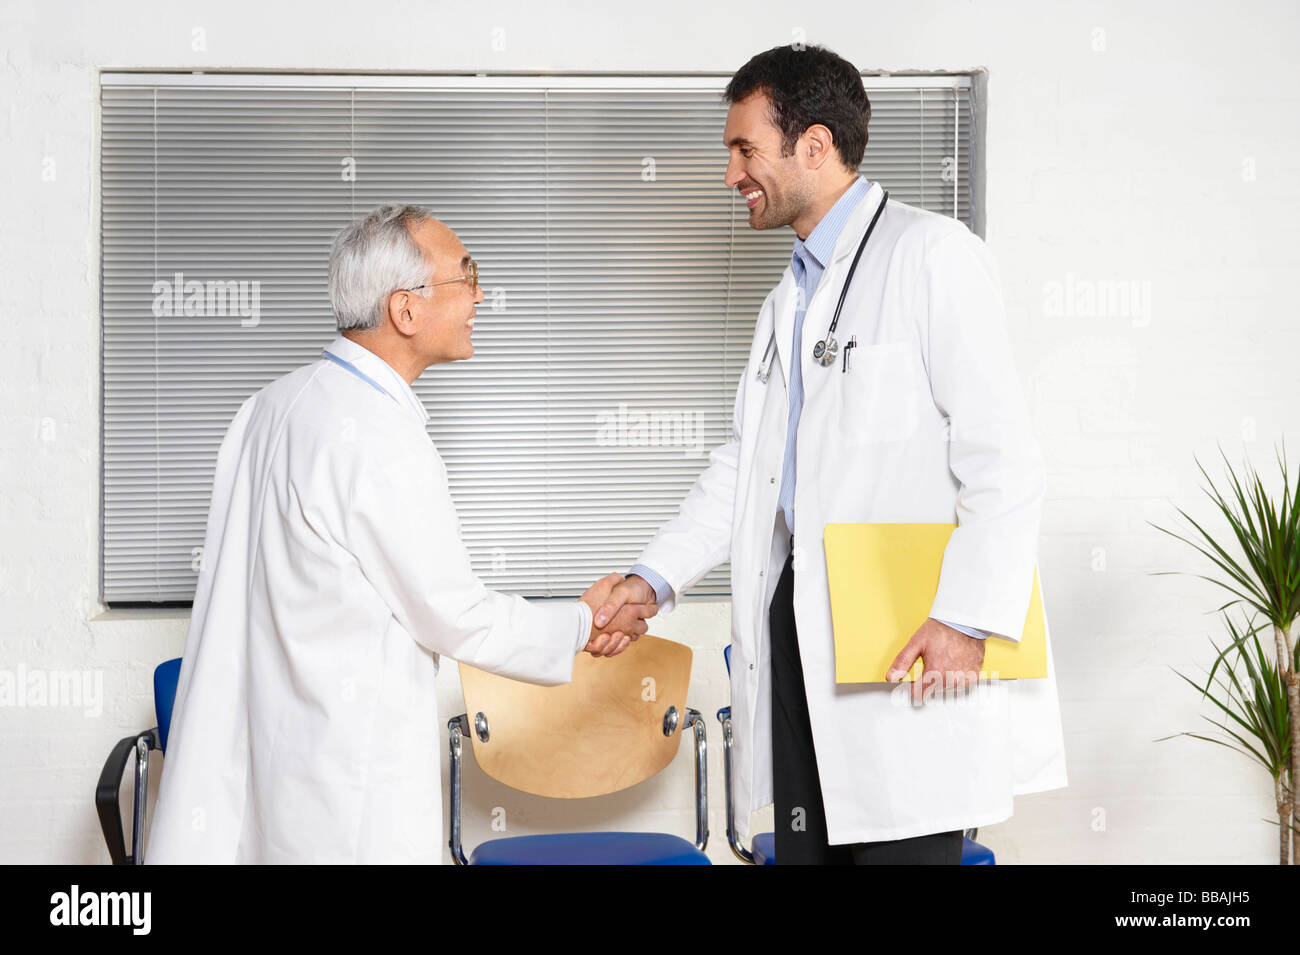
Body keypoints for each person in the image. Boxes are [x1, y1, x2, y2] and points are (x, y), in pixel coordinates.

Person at [589, 45, 1067, 864]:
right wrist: (651, 580)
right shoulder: (788, 301)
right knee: (806, 852)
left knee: (900, 847)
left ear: (813, 145)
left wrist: (963, 617)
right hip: (800, 622)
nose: (731, 171)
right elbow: (750, 469)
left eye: (745, 149)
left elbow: (1004, 458)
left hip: (909, 632)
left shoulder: (931, 255)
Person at [147, 205, 656, 864]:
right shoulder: (380, 440)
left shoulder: (269, 407)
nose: (480, 296)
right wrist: (584, 622)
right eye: (464, 278)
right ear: (406, 310)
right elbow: (454, 614)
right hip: (349, 788)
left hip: (276, 766)